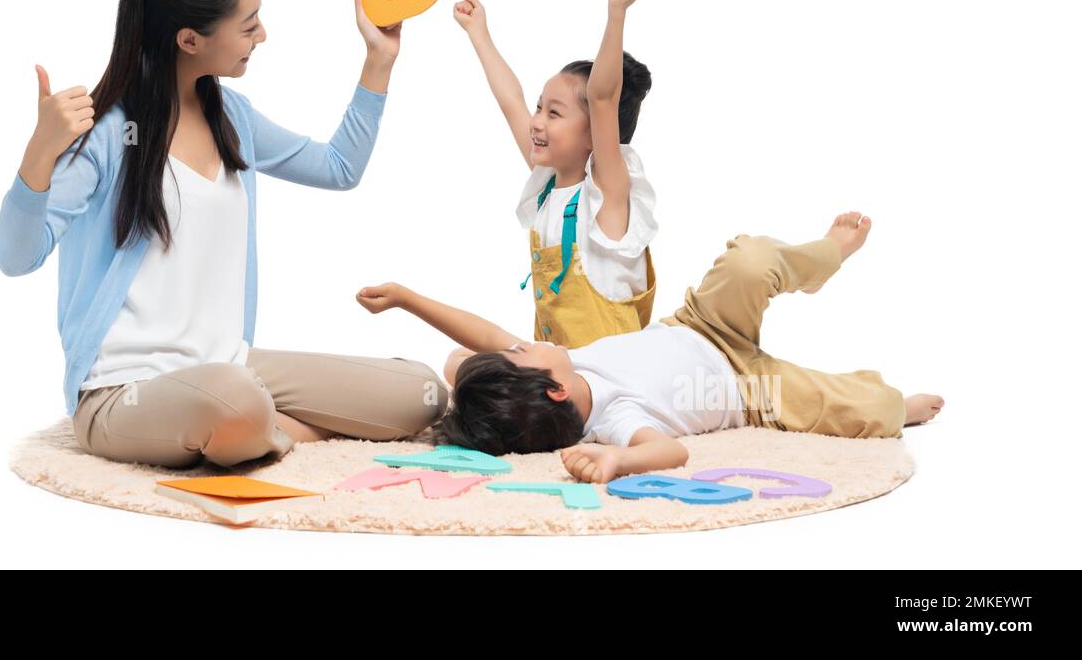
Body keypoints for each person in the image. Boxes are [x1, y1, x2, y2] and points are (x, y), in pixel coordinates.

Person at [0, 0, 448, 469]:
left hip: (231, 369)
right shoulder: (110, 134)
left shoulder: (232, 117)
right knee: (238, 403)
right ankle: (265, 427)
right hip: (122, 394)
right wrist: (39, 153)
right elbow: (17, 257)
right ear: (190, 40)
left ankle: (261, 429)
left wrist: (379, 60)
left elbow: (339, 168)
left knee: (418, 393)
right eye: (249, 25)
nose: (263, 37)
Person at [356, 212, 944, 483]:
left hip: (701, 324)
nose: (523, 344)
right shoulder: (612, 422)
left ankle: (823, 259)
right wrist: (618, 461)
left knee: (751, 261)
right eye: (522, 354)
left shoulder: (560, 373)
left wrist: (411, 300)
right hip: (750, 391)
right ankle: (897, 405)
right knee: (875, 412)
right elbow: (670, 454)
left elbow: (475, 344)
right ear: (554, 388)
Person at [452, 0, 658, 350]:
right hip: (561, 374)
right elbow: (510, 98)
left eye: (554, 113)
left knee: (466, 369)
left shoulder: (608, 196)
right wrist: (478, 32)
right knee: (459, 362)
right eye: (539, 108)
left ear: (595, 132)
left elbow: (602, 96)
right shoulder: (547, 185)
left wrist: (617, 13)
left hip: (611, 381)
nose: (536, 122)